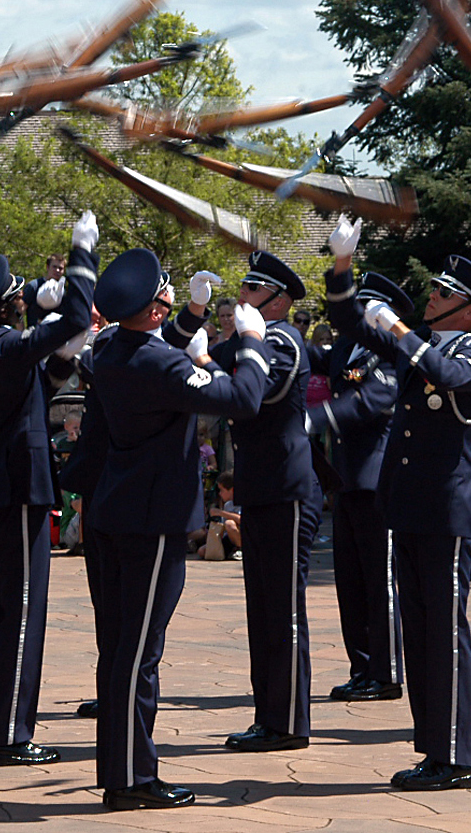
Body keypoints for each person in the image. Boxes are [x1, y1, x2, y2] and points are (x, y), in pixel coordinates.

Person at [89, 248, 268, 810]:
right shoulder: (158, 363)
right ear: (156, 305)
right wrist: (255, 344)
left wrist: (188, 312)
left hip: (122, 513)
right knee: (138, 654)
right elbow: (242, 400)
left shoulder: (111, 351)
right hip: (152, 520)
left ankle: (128, 771)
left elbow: (159, 344)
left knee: (123, 648)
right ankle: (129, 780)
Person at [330, 238, 471, 791]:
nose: (431, 296)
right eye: (434, 289)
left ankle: (458, 756)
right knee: (421, 629)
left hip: (447, 509)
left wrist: (401, 333)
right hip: (408, 503)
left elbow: (450, 378)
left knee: (445, 632)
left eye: (445, 293)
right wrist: (342, 267)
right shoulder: (422, 342)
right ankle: (434, 748)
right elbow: (349, 322)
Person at [0, 212, 98, 768]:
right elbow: (78, 315)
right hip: (15, 487)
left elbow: (39, 387)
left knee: (5, 613)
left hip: (10, 483)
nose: (25, 300)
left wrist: (62, 352)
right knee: (18, 613)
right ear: (7, 305)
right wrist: (82, 254)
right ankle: (7, 734)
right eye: (20, 295)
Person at [210, 250, 322, 753]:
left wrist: (231, 347)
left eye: (253, 290)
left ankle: (289, 721)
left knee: (283, 609)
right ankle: (269, 715)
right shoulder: (250, 341)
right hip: (261, 487)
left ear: (277, 300)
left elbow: (254, 392)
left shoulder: (282, 339)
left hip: (285, 488)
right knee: (263, 608)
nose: (241, 297)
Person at [311, 234, 407, 704]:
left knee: (379, 579)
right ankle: (362, 666)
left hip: (377, 478)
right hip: (347, 476)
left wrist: (317, 417)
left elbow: (372, 401)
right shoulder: (345, 350)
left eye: (367, 304)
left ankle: (386, 671)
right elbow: (312, 362)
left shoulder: (389, 354)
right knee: (350, 579)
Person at [22, 253, 67, 326]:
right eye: (54, 267)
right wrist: (22, 332)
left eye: (61, 268)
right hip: (34, 333)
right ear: (47, 267)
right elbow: (20, 310)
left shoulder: (62, 292)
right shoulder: (34, 286)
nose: (57, 270)